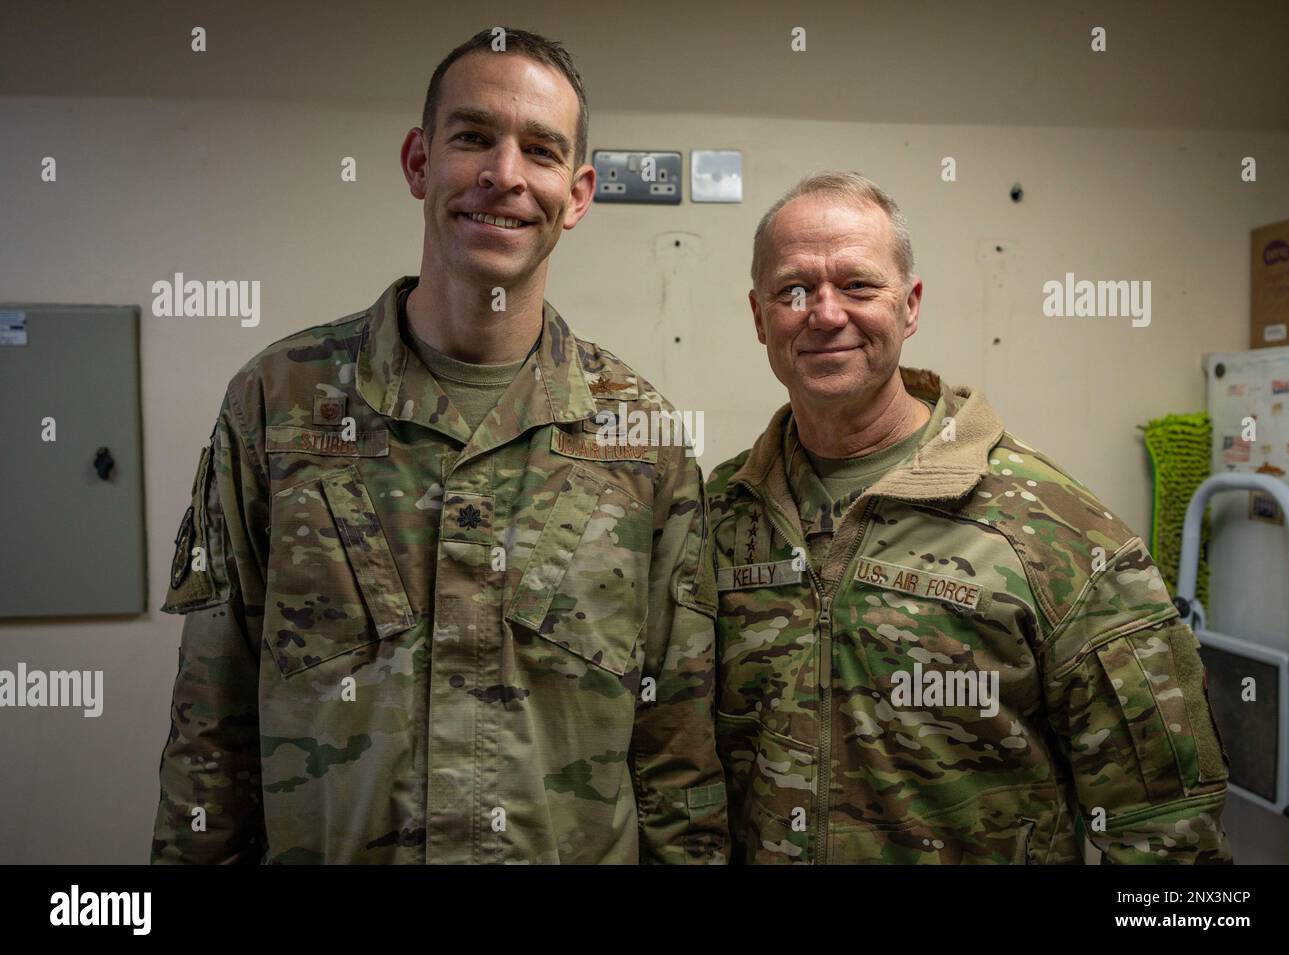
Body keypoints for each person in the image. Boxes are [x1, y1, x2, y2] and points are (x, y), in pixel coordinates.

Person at [151, 27, 727, 864]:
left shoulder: (641, 439)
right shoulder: (279, 404)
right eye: (473, 137)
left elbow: (677, 749)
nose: (505, 174)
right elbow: (212, 725)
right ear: (419, 162)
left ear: (577, 193)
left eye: (540, 150)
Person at [706, 171, 1232, 864]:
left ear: (910, 305)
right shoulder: (715, 516)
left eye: (859, 286)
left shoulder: (1058, 529)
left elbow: (1167, 827)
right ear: (758, 314)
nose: (825, 313)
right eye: (793, 289)